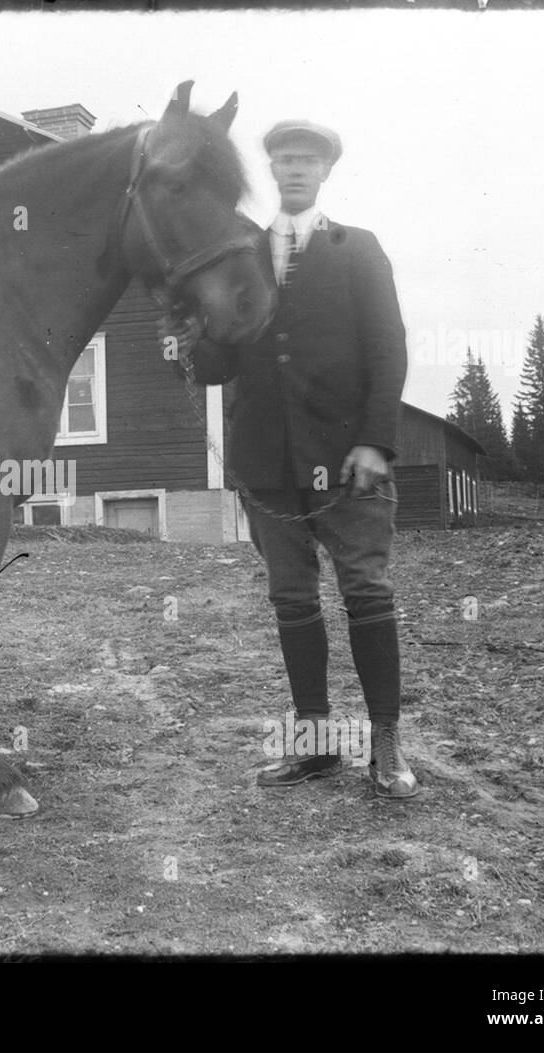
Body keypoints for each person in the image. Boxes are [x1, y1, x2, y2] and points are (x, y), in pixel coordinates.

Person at [168, 119, 417, 799]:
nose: (297, 170)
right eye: (285, 160)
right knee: (291, 596)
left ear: (326, 172)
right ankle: (314, 747)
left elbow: (388, 350)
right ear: (271, 170)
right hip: (267, 464)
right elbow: (222, 361)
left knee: (366, 591)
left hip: (347, 462)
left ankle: (386, 746)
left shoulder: (358, 249)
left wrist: (374, 441)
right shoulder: (239, 251)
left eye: (309, 160)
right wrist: (196, 340)